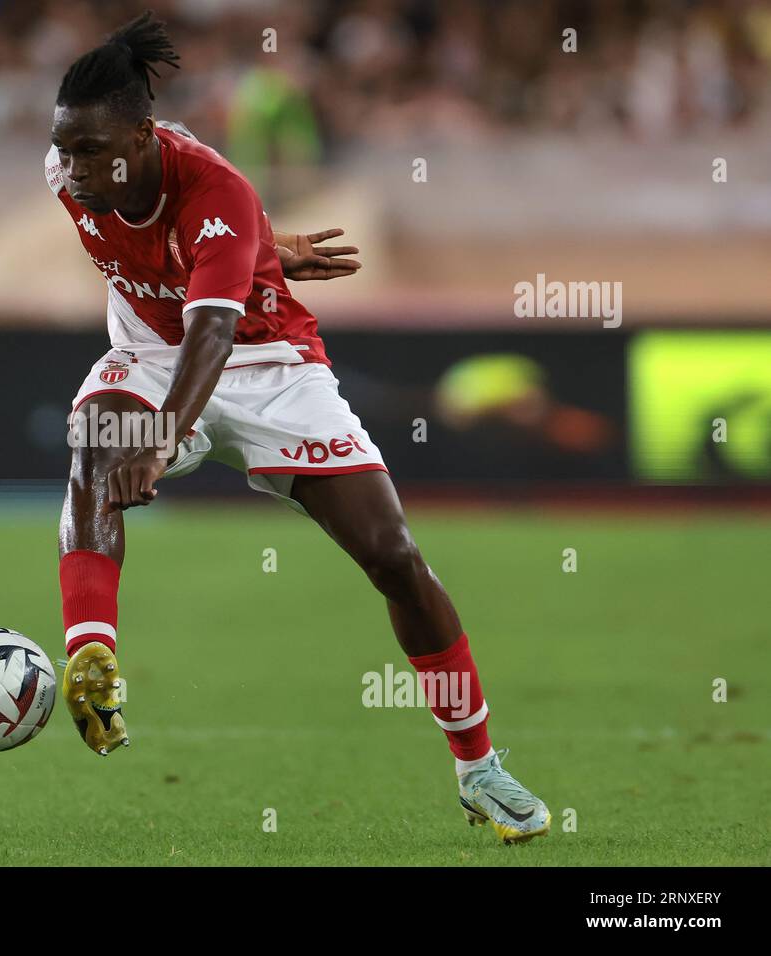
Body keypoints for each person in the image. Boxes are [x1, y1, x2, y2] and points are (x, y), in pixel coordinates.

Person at [48, 12, 549, 844]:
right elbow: (179, 303)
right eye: (65, 150)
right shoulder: (69, 171)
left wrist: (169, 431)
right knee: (94, 449)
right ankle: (91, 657)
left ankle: (479, 768)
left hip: (270, 366)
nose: (74, 169)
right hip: (145, 356)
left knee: (395, 557)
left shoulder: (218, 192)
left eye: (92, 152)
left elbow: (212, 333)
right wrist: (264, 249)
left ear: (143, 135)